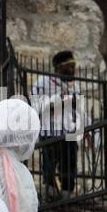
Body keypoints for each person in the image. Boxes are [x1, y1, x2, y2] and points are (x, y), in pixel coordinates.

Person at [31, 50, 85, 196]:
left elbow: (78, 109)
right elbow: (36, 105)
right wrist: (58, 99)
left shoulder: (75, 85)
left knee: (70, 163)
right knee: (49, 164)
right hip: (50, 130)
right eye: (70, 66)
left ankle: (68, 193)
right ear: (59, 67)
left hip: (69, 130)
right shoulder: (43, 82)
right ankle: (50, 192)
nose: (73, 69)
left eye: (74, 65)